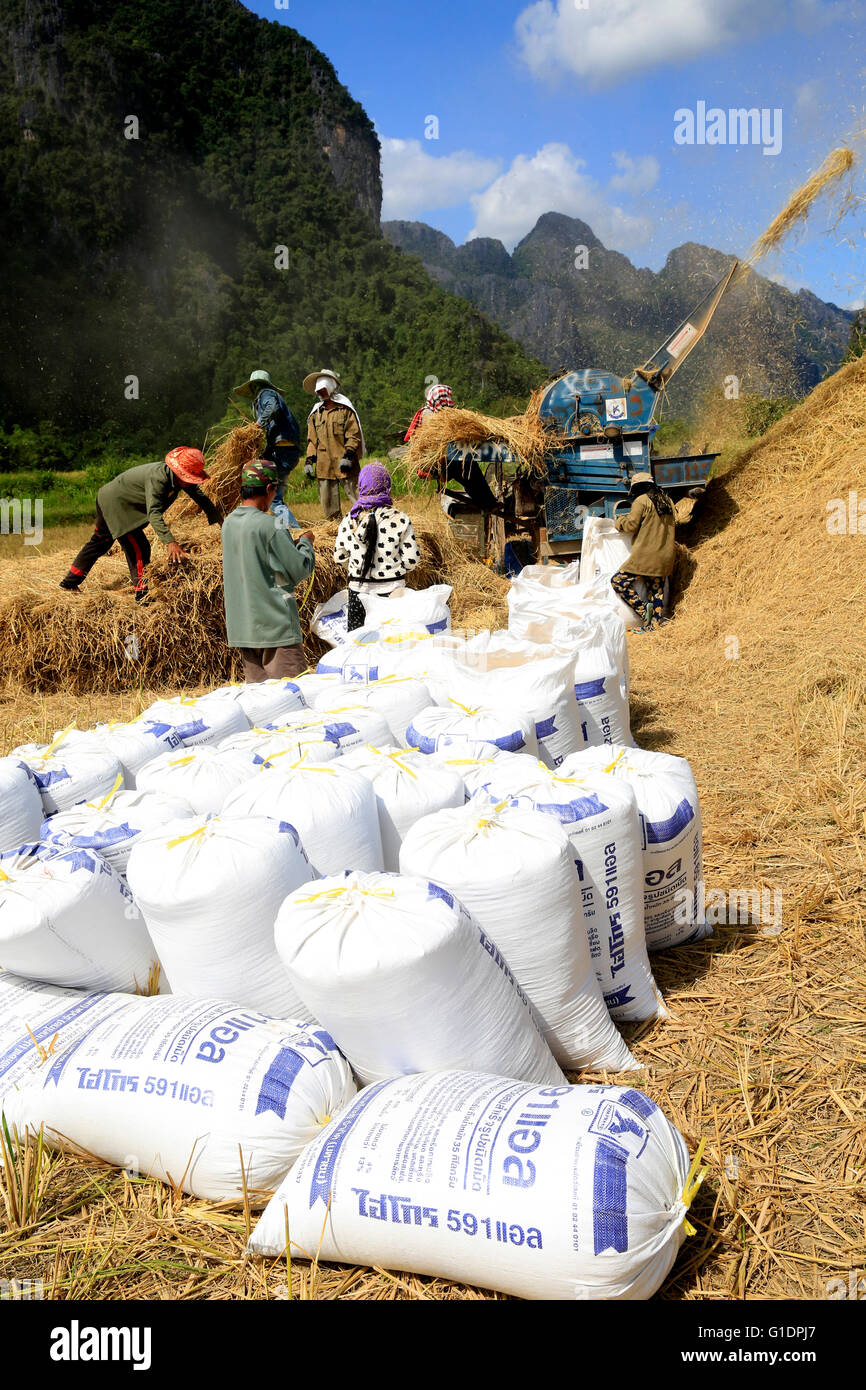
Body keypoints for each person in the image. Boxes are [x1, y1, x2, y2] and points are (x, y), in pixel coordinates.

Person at [59, 447, 221, 603]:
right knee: (139, 547)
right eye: (190, 477)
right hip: (119, 506)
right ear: (180, 472)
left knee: (99, 542)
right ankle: (142, 594)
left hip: (109, 498)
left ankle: (70, 582)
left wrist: (220, 520)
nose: (192, 482)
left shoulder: (179, 479)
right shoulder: (159, 479)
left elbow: (200, 496)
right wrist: (170, 542)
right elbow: (154, 513)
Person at [221, 459, 316, 681]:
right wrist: (305, 543)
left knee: (263, 707)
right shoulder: (272, 525)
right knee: (291, 700)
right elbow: (300, 569)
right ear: (268, 489)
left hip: (244, 631)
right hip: (276, 631)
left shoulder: (228, 524)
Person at [333, 461, 421, 631]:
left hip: (358, 591)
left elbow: (339, 556)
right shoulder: (400, 519)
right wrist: (395, 570)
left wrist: (355, 569)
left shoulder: (349, 520)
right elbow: (411, 560)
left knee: (358, 643)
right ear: (387, 487)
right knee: (393, 642)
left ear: (360, 487)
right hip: (393, 593)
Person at [232, 369, 301, 526]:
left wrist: (257, 426)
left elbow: (271, 406)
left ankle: (293, 530)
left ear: (254, 386)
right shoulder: (267, 395)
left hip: (281, 451)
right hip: (286, 451)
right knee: (275, 496)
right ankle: (283, 527)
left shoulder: (266, 393)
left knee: (274, 499)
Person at [611, 471, 676, 632]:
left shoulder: (641, 501)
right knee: (656, 591)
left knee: (618, 582)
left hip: (646, 556)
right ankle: (653, 626)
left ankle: (643, 609)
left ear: (637, 487)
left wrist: (619, 521)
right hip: (665, 555)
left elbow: (631, 526)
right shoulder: (667, 500)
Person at [303, 369, 365, 520]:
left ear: (330, 388)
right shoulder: (315, 414)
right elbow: (312, 440)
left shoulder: (345, 410)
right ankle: (336, 535)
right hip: (324, 467)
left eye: (323, 389)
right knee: (329, 509)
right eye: (318, 391)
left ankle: (366, 526)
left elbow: (354, 435)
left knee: (359, 501)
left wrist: (349, 455)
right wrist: (309, 460)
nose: (321, 393)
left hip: (346, 463)